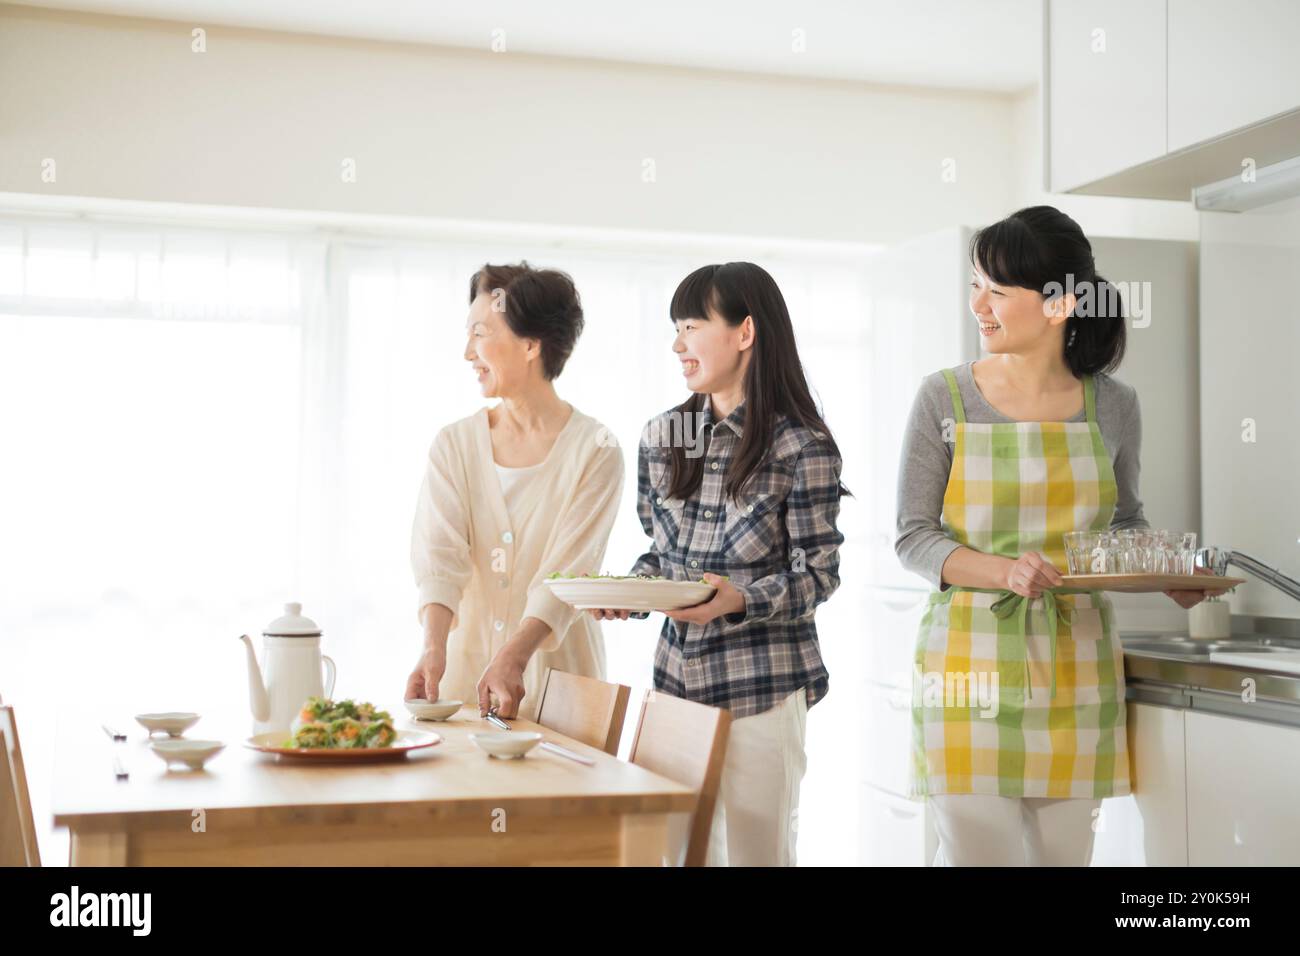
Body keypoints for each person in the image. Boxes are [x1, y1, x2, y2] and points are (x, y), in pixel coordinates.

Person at [895, 206, 1220, 866]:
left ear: (1060, 305)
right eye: (975, 285)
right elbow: (913, 536)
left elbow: (1122, 524)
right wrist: (1005, 571)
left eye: (996, 290)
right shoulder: (945, 398)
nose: (977, 305)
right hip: (969, 666)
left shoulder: (1114, 404)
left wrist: (1168, 574)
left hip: (1077, 664)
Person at [592, 261, 846, 866]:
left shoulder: (801, 445)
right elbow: (662, 557)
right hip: (675, 690)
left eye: (691, 326)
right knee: (680, 855)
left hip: (761, 689)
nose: (677, 345)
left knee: (760, 856)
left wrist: (740, 600)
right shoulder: (663, 436)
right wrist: (629, 593)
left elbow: (818, 574)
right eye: (675, 329)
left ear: (745, 332)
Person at [407, 262, 623, 720]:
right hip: (463, 686)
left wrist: (514, 656)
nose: (468, 352)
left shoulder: (596, 449)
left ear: (530, 344)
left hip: (565, 693)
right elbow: (440, 560)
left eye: (480, 333)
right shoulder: (454, 445)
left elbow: (568, 573)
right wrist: (432, 648)